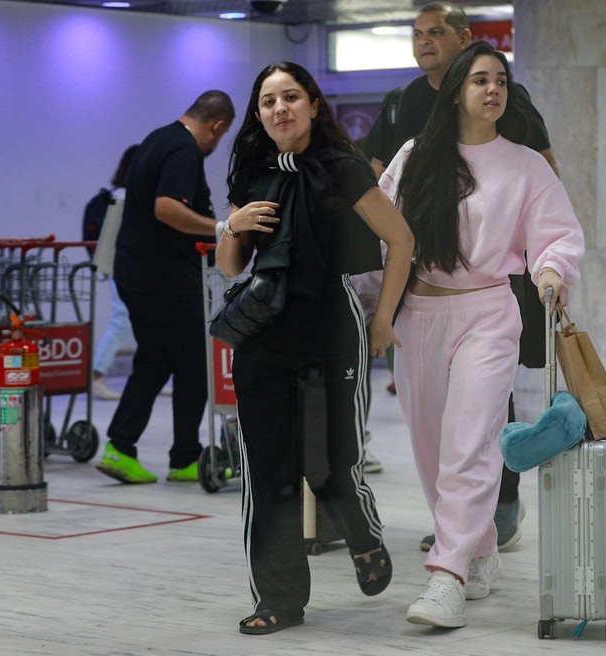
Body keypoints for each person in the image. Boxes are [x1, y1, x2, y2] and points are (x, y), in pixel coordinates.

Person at [380, 41, 584, 628]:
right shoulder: (415, 156)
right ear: (456, 93)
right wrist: (375, 308)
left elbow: (558, 233)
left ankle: (446, 575)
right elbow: (383, 233)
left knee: (469, 444)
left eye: (500, 80)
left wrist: (552, 270)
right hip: (418, 314)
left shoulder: (525, 165)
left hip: (489, 313)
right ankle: (479, 550)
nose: (493, 89)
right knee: (431, 450)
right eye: (479, 80)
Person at [216, 61, 413, 635]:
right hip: (264, 335)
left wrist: (383, 320)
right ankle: (278, 599)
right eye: (268, 101)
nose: (280, 109)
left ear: (313, 105)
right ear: (259, 114)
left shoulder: (343, 168)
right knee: (268, 472)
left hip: (330, 330)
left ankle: (362, 533)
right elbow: (231, 266)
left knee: (332, 462)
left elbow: (401, 240)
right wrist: (232, 224)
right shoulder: (253, 172)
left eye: (291, 97)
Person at [363, 0, 558, 552]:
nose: (424, 41)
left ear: (463, 36)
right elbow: (377, 181)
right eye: (417, 33)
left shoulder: (509, 117)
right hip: (422, 296)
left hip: (491, 290)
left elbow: (544, 176)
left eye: (436, 32)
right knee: (434, 432)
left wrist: (543, 259)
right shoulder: (404, 107)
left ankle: (484, 526)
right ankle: (465, 531)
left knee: (481, 416)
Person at [95, 91, 235, 484]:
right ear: (218, 126)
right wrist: (221, 228)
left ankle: (120, 448)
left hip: (137, 271)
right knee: (194, 362)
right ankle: (184, 458)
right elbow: (167, 207)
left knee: (155, 359)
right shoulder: (185, 150)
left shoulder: (157, 138)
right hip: (165, 277)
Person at [86, 144, 138, 401]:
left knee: (141, 323)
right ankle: (96, 376)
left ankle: (151, 376)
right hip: (125, 268)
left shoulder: (122, 195)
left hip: (129, 268)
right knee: (123, 321)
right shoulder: (125, 197)